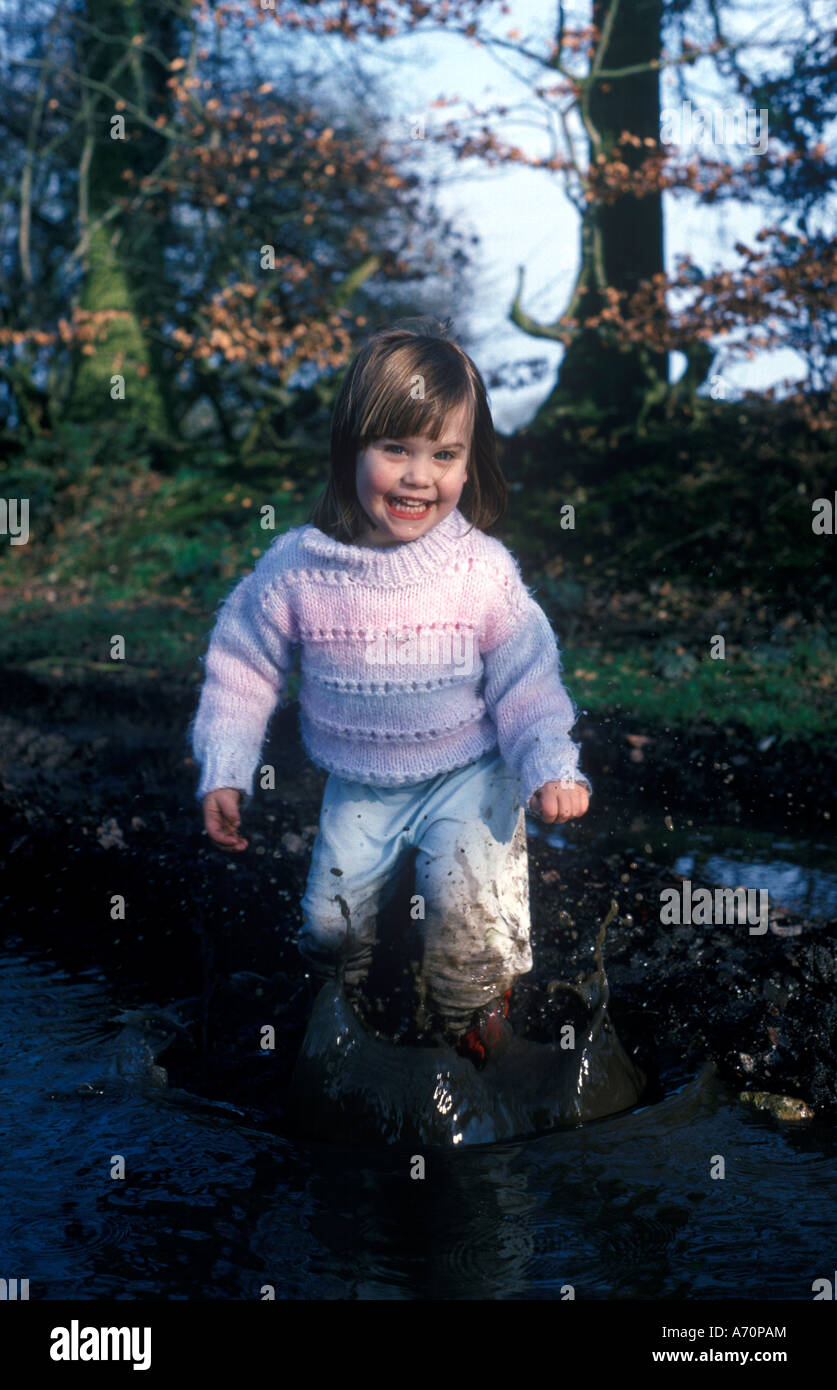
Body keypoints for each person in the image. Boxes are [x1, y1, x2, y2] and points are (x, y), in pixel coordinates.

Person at [188, 317, 591, 1069]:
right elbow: (242, 669)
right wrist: (225, 766)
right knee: (329, 927)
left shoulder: (481, 573)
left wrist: (550, 766)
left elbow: (527, 682)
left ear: (470, 463)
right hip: (360, 786)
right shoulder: (300, 569)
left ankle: (474, 1022)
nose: (418, 476)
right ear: (350, 450)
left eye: (444, 454)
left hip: (470, 775)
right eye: (395, 449)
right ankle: (343, 1013)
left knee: (468, 919)